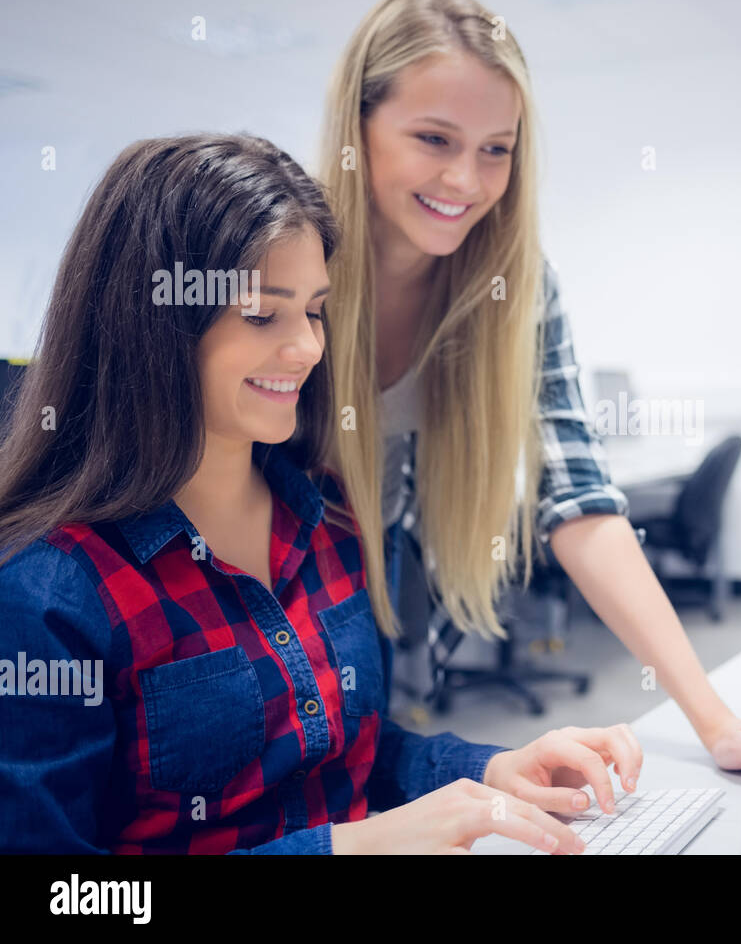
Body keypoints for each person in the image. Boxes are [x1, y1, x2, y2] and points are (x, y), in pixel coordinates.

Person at [0, 133, 639, 854]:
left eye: (314, 310)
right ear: (152, 325)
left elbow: (350, 755)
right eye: (263, 313)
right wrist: (344, 850)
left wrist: (489, 769)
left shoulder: (326, 512)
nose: (308, 346)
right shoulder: (47, 594)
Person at [319, 0, 741, 769]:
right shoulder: (289, 257)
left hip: (373, 567)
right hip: (257, 576)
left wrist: (715, 720)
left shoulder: (512, 282)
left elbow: (580, 499)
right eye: (433, 137)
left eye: (497, 147)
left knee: (359, 770)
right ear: (359, 125)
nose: (466, 178)